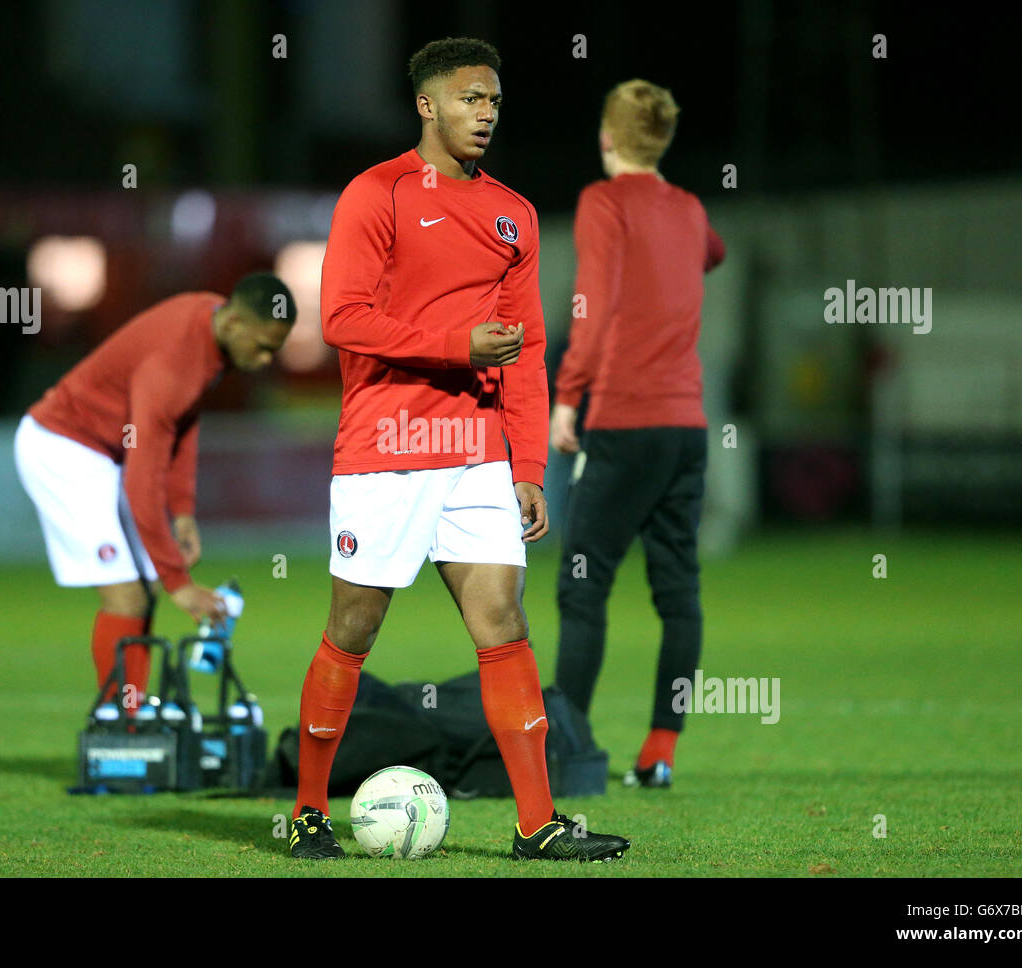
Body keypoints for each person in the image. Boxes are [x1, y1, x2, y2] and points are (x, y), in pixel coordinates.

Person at [287, 37, 629, 862]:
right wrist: (456, 344)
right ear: (427, 104)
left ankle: (536, 823)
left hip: (477, 454)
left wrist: (529, 466)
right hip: (387, 446)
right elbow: (341, 317)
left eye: (495, 102)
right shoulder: (377, 194)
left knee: (503, 621)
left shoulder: (515, 213)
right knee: (354, 627)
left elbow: (529, 346)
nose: (486, 113)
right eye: (471, 98)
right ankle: (305, 812)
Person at [14, 275, 296, 716]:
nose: (263, 361)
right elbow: (141, 483)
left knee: (143, 589)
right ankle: (121, 725)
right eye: (261, 346)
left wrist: (182, 513)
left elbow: (182, 423)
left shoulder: (209, 317)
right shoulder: (173, 362)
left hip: (102, 453)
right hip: (63, 448)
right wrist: (180, 585)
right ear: (235, 320)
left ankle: (132, 711)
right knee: (127, 594)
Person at [551, 80, 726, 788]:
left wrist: (567, 397)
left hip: (625, 420)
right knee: (678, 592)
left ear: (607, 136)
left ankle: (568, 749)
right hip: (686, 427)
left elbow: (592, 305)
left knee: (582, 589)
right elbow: (712, 252)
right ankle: (659, 752)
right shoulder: (687, 208)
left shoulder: (603, 203)